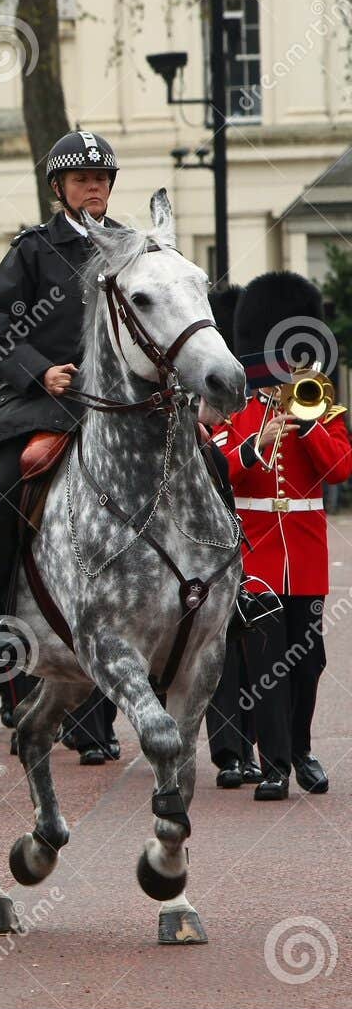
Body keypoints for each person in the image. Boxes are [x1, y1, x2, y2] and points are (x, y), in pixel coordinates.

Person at [0, 130, 123, 718]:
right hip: (45, 403)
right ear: (59, 188)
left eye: (103, 179)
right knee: (9, 495)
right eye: (84, 179)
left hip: (119, 405)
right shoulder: (33, 250)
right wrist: (41, 373)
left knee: (203, 462)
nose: (95, 187)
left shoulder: (133, 248)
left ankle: (220, 595)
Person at [216, 271, 351, 798]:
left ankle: (301, 750)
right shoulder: (239, 410)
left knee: (309, 662)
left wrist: (306, 419)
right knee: (267, 665)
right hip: (259, 559)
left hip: (307, 557)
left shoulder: (322, 407)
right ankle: (273, 765)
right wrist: (257, 441)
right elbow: (221, 468)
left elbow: (339, 470)